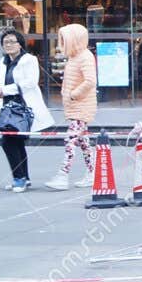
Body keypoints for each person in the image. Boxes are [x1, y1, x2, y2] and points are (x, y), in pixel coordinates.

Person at [0, 29, 54, 192]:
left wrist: (5, 90)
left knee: (9, 143)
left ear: (20, 44)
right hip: (7, 109)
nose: (9, 45)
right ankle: (22, 178)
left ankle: (19, 178)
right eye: (5, 42)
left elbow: (30, 83)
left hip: (22, 108)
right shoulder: (3, 61)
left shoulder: (29, 60)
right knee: (15, 143)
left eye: (12, 41)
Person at [46, 23, 97, 191]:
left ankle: (63, 174)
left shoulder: (85, 56)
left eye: (65, 39)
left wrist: (73, 94)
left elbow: (90, 81)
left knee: (71, 140)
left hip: (81, 106)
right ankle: (92, 173)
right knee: (83, 142)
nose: (62, 42)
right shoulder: (75, 57)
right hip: (75, 106)